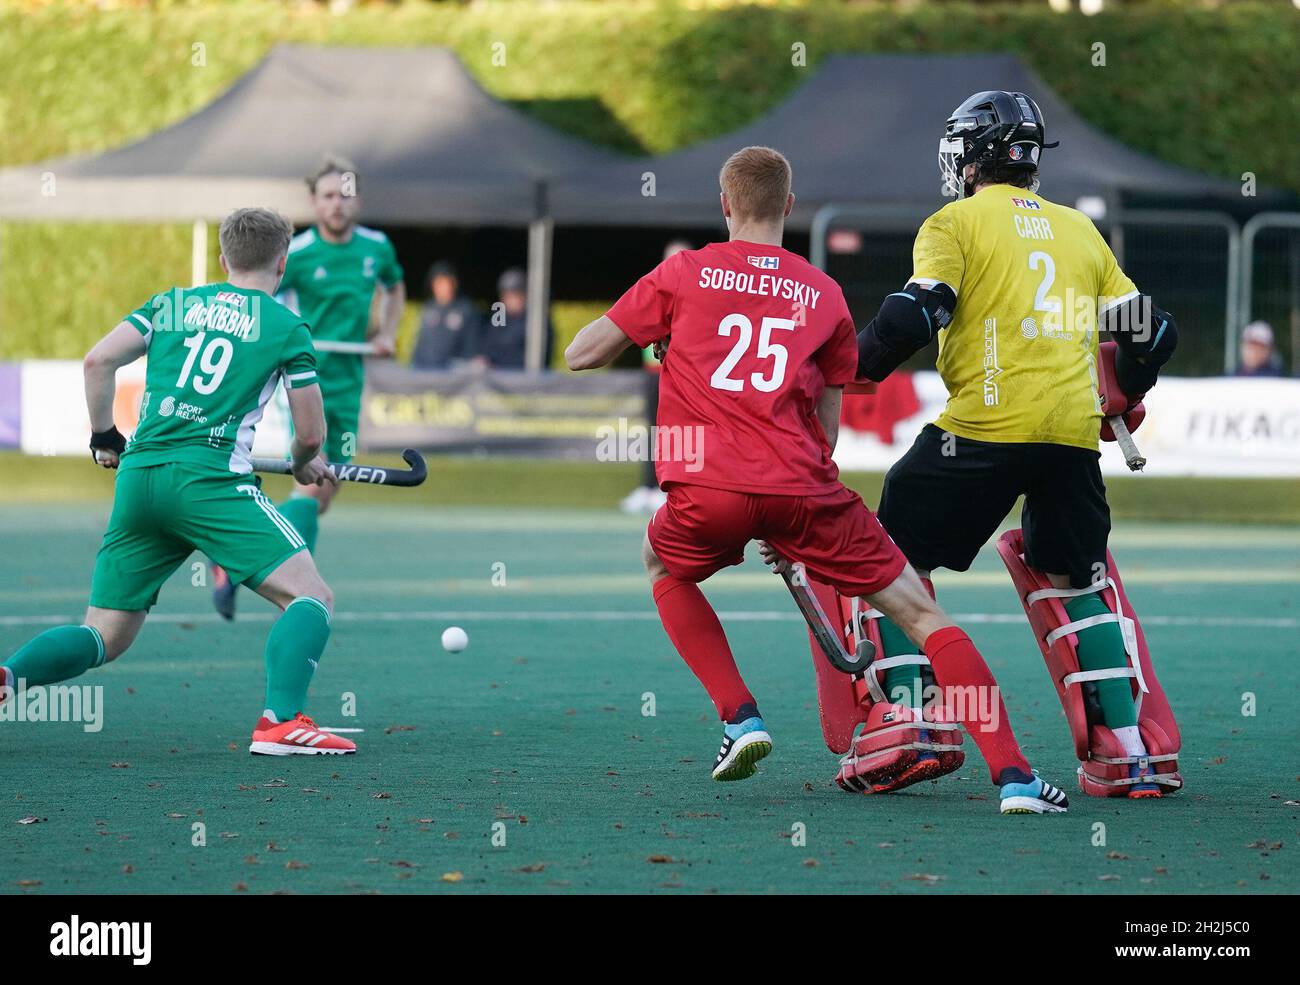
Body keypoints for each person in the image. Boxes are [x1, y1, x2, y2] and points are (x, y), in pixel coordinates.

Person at [566, 145, 1068, 815]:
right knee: (923, 613)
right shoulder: (824, 293)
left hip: (708, 491)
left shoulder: (683, 272)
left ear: (725, 204)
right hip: (805, 492)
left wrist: (661, 338)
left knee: (662, 562)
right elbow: (827, 430)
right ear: (790, 208)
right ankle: (1016, 779)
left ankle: (740, 716)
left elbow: (582, 353)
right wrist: (792, 522)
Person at [852, 90, 1181, 799]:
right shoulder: (1081, 233)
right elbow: (1154, 333)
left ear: (971, 157)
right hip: (1069, 436)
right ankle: (1125, 750)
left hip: (983, 428)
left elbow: (916, 313)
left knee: (886, 555)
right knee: (1077, 577)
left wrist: (843, 369)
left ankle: (911, 720)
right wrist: (1123, 387)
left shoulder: (954, 221)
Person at [0, 208, 355, 755]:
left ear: (222, 258)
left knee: (105, 636)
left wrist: (105, 438)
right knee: (311, 597)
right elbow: (311, 431)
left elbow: (98, 362)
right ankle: (280, 723)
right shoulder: (286, 327)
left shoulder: (170, 304)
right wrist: (306, 460)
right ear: (282, 261)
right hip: (209, 482)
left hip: (139, 479)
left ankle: (9, 678)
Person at [211, 155, 406, 619]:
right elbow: (255, 302)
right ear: (314, 202)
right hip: (301, 380)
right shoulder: (295, 255)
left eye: (345, 195)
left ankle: (238, 557)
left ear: (358, 200)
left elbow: (394, 288)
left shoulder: (377, 247)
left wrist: (386, 333)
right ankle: (295, 589)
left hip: (351, 380)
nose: (337, 205)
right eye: (327, 196)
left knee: (324, 490)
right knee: (317, 483)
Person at [620, 240, 692, 515]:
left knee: (678, 433)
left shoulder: (693, 293)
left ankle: (669, 489)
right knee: (653, 430)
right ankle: (648, 487)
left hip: (681, 375)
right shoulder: (656, 288)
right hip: (653, 374)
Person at [411, 260, 482, 369]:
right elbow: (420, 343)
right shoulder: (429, 307)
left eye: (444, 282)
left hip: (453, 375)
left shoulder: (466, 309)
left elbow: (471, 347)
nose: (440, 287)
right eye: (437, 283)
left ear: (453, 283)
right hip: (425, 371)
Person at [477, 267, 552, 369]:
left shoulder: (536, 320)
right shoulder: (500, 316)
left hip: (523, 380)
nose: (510, 300)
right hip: (495, 378)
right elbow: (488, 347)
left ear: (525, 296)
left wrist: (498, 364)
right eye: (507, 296)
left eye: (514, 295)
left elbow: (535, 360)